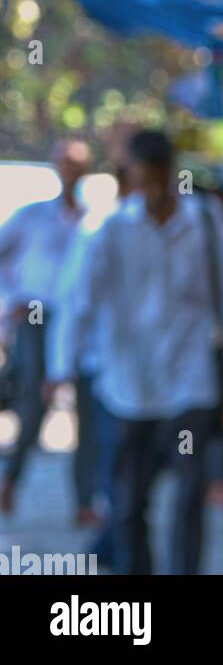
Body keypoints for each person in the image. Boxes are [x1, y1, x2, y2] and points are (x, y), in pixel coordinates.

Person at [49, 129, 223, 575]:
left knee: (188, 503)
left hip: (189, 389)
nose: (149, 192)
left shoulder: (202, 223)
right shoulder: (107, 229)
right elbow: (76, 303)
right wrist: (60, 368)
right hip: (127, 390)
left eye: (157, 181)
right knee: (127, 505)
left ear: (169, 176)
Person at [0, 139, 91, 516]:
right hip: (38, 316)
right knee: (34, 403)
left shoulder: (93, 218)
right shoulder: (31, 215)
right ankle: (11, 481)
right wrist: (11, 301)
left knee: (88, 408)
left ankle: (85, 501)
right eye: (64, 164)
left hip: (81, 320)